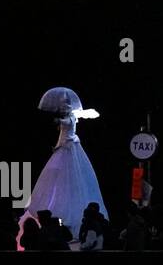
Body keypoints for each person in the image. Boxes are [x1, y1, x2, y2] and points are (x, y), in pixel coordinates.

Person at [20, 87, 108, 241]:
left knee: (67, 176)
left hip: (67, 147)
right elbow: (62, 132)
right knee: (61, 178)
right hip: (65, 146)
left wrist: (58, 121)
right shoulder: (71, 118)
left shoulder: (68, 119)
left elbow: (63, 126)